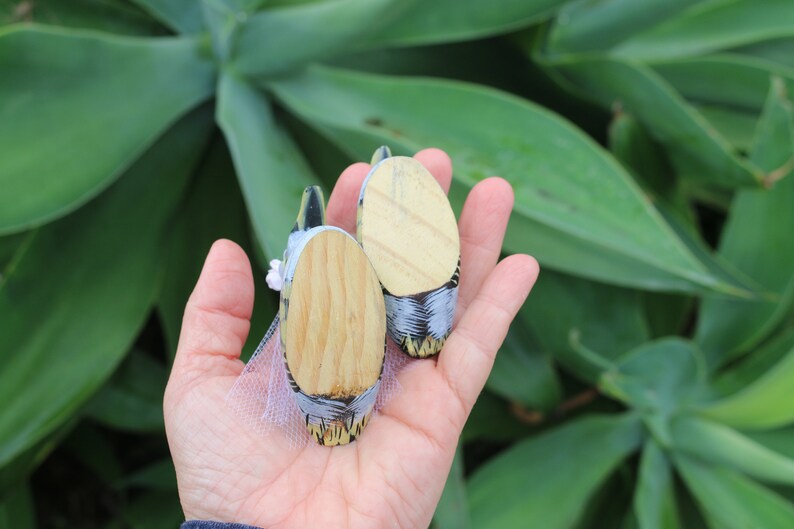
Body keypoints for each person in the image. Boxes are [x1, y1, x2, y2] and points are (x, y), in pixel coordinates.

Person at [164, 148, 539, 529]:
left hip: (329, 392)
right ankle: (409, 311)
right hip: (349, 369)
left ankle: (329, 261)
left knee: (332, 307)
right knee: (371, 317)